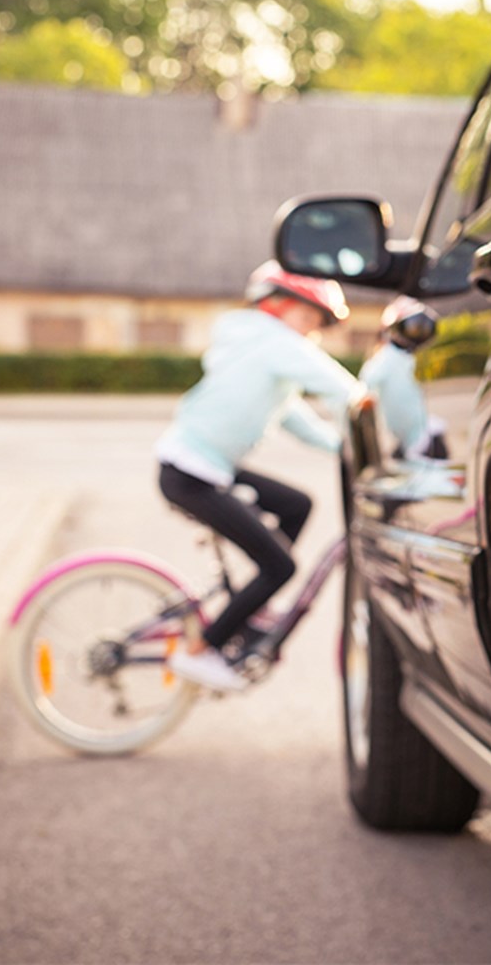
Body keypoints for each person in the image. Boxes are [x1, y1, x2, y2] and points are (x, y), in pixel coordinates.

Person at [156, 261, 357, 691]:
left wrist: (343, 447)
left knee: (297, 505)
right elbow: (340, 388)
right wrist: (370, 411)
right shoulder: (274, 342)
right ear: (276, 305)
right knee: (280, 567)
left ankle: (252, 601)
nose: (309, 332)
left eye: (317, 327)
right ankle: (204, 650)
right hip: (193, 474)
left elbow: (293, 417)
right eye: (307, 319)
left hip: (205, 467)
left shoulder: (258, 345)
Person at [357, 296, 448, 461]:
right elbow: (365, 384)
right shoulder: (386, 358)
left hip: (419, 436)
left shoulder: (408, 358)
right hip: (411, 442)